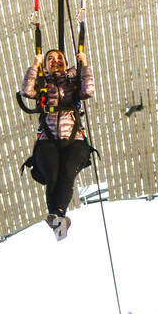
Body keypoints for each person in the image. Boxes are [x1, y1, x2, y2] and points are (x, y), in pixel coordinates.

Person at [22, 47, 95, 239]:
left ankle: (58, 217)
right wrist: (35, 65)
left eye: (59, 58)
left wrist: (84, 64)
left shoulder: (72, 80)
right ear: (46, 65)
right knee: (52, 174)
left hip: (74, 138)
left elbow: (88, 90)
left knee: (68, 170)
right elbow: (27, 92)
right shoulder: (41, 81)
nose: (56, 61)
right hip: (48, 138)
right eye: (51, 59)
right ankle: (59, 219)